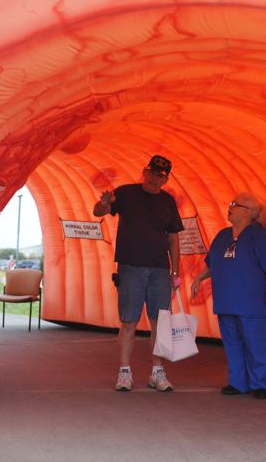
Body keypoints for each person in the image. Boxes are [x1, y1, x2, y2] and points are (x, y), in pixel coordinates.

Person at [93, 155, 184, 392]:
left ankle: (158, 372)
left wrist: (175, 271)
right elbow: (98, 212)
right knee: (129, 321)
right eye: (152, 173)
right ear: (144, 172)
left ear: (166, 180)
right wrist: (104, 203)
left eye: (161, 176)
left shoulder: (168, 201)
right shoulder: (126, 193)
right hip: (131, 267)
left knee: (160, 323)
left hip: (160, 270)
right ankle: (124, 372)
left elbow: (173, 237)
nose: (155, 179)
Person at [190, 192, 266, 399]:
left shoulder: (259, 235)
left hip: (253, 303)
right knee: (232, 343)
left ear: (248, 212)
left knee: (257, 343)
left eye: (235, 204)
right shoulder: (223, 236)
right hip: (227, 301)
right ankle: (238, 383)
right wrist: (199, 278)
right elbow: (212, 264)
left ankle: (259, 384)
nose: (229, 207)